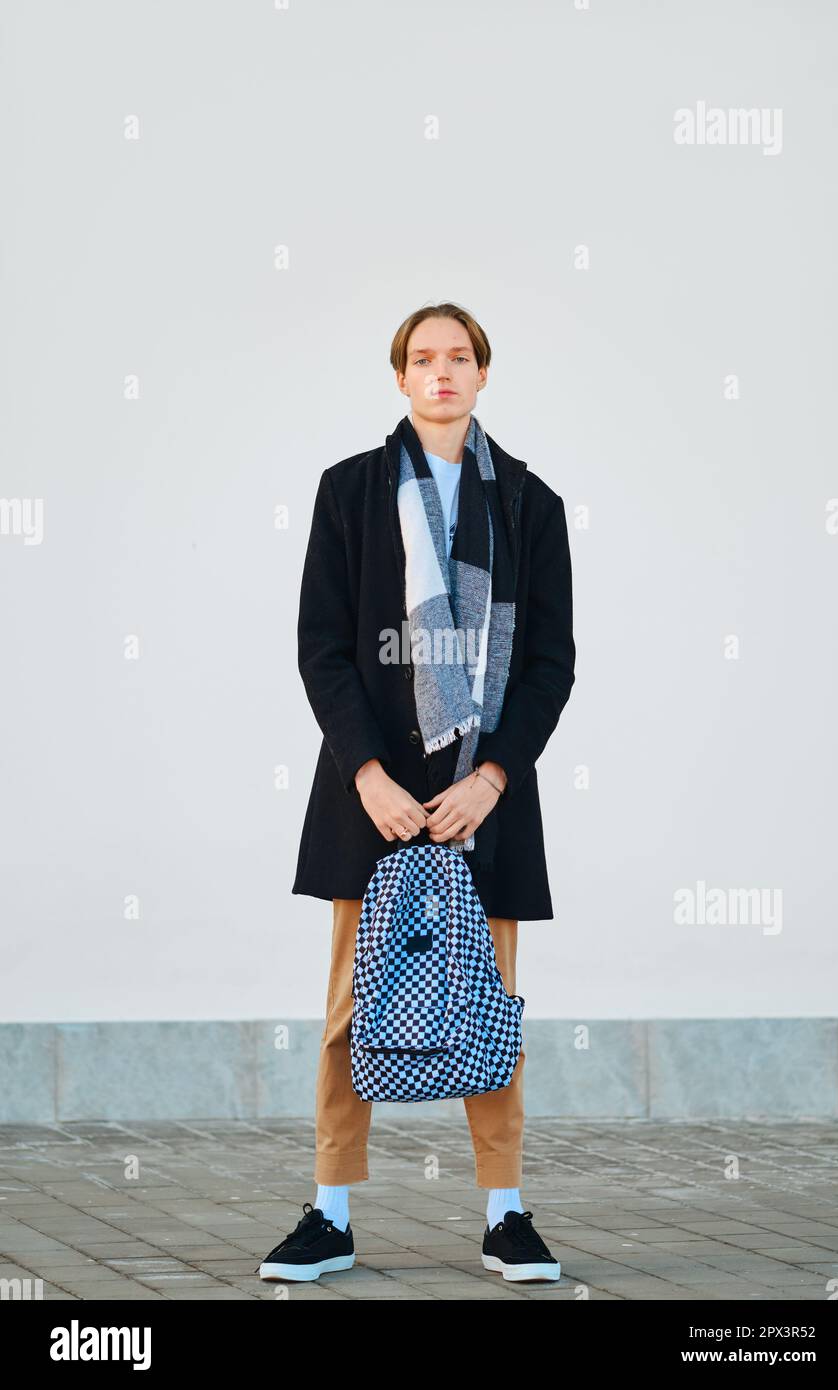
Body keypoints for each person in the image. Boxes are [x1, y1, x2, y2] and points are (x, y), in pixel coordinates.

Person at [258, 302, 575, 1285]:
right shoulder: (350, 492)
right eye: (422, 358)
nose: (441, 373)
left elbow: (549, 664)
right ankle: (330, 1212)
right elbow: (325, 649)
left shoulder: (528, 502)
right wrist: (367, 777)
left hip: (484, 803)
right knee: (351, 1010)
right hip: (375, 797)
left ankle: (505, 1213)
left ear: (483, 374)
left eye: (459, 357)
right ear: (398, 377)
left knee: (491, 1004)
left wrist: (489, 776)